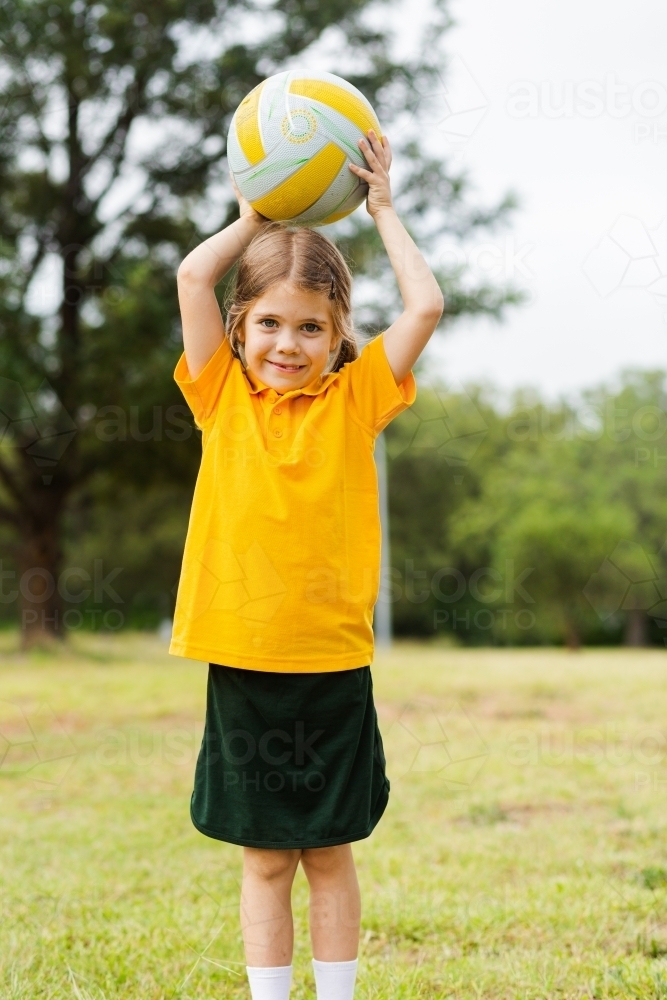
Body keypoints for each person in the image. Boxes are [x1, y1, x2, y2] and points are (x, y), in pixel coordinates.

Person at [170, 128, 444, 1000]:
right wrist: (254, 213)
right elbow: (191, 277)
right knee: (261, 859)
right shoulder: (219, 393)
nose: (288, 344)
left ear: (337, 337)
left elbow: (426, 308)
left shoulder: (357, 399)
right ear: (241, 328)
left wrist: (384, 212)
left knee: (329, 851)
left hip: (331, 662)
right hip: (246, 661)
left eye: (311, 328)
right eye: (270, 324)